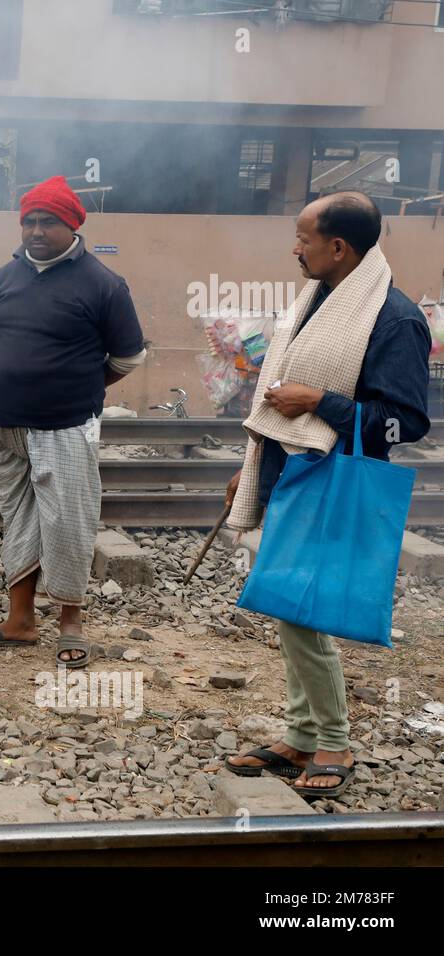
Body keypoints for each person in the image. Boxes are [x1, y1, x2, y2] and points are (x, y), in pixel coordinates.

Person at [224, 191, 431, 799]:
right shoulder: (318, 300)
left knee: (300, 609)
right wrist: (255, 463)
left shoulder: (393, 320)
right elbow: (280, 402)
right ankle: (303, 732)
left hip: (335, 477)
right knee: (289, 607)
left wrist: (320, 401)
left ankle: (333, 740)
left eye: (303, 238)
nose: (295, 248)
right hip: (293, 471)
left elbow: (405, 423)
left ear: (338, 247)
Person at [0, 176, 146, 667]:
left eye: (48, 221)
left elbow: (129, 357)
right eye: (30, 220)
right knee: (20, 519)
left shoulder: (103, 283)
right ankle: (20, 621)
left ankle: (71, 623)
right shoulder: (5, 277)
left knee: (68, 520)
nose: (37, 230)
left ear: (72, 224)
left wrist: (80, 386)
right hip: (6, 426)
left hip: (66, 427)